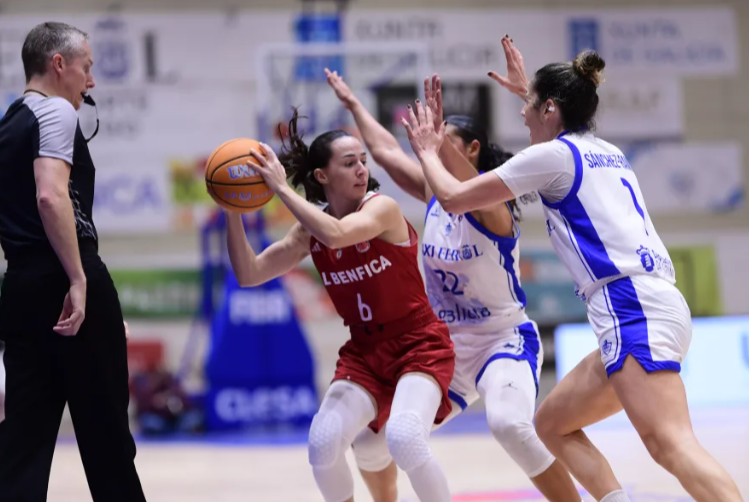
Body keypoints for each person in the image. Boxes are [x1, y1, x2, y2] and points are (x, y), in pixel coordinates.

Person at [401, 36, 743, 502]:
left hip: (630, 306)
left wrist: (427, 149)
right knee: (551, 424)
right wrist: (529, 90)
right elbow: (559, 123)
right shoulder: (607, 151)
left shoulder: (553, 157)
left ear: (551, 110)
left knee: (670, 445)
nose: (522, 114)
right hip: (652, 302)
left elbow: (456, 197)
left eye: (530, 106)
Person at [324, 68, 581, 502]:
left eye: (443, 140)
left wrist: (433, 139)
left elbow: (455, 180)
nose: (431, 147)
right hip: (446, 347)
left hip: (503, 340)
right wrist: (354, 105)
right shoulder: (434, 194)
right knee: (371, 440)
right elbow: (386, 150)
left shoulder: (497, 206)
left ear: (471, 150)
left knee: (509, 424)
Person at [224, 109, 456, 502]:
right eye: (350, 163)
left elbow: (336, 236)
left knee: (404, 439)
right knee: (323, 442)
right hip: (364, 353)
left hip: (417, 344)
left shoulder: (381, 209)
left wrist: (281, 189)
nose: (362, 170)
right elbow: (249, 274)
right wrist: (231, 210)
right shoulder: (308, 230)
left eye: (363, 161)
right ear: (322, 176)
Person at [0, 22, 146, 502]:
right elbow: (51, 197)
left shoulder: (4, 125)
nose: (90, 81)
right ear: (59, 64)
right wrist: (81, 282)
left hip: (21, 285)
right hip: (66, 275)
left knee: (24, 435)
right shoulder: (56, 110)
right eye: (87, 67)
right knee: (106, 431)